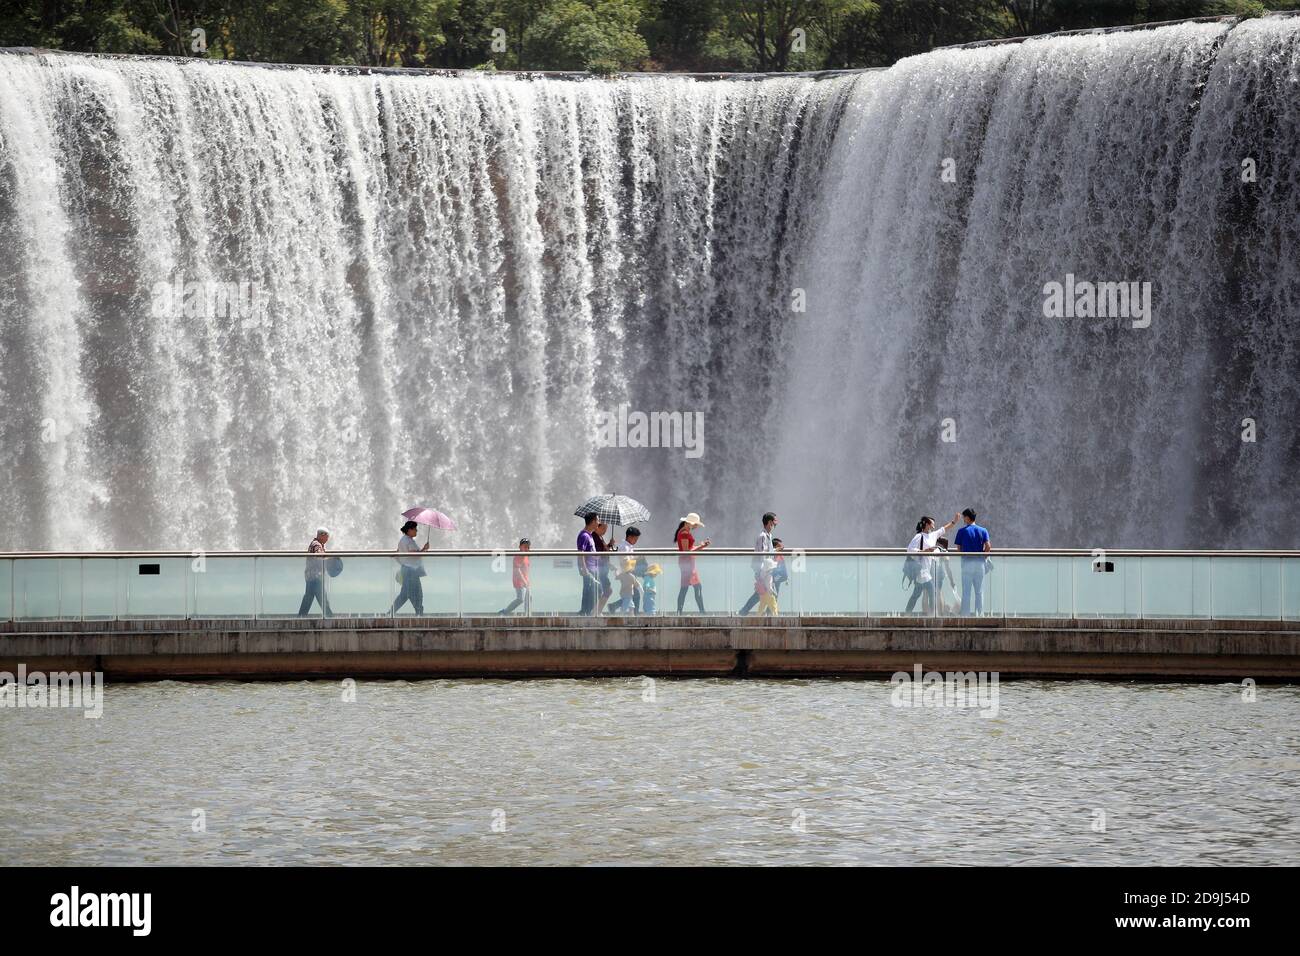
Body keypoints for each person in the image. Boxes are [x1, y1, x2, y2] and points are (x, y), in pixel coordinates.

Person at [905, 514, 958, 615]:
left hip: (927, 570)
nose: (934, 525)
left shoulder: (933, 535)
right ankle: (933, 615)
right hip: (921, 570)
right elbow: (909, 550)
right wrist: (925, 551)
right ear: (928, 525)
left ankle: (907, 613)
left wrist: (954, 521)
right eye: (932, 523)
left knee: (916, 594)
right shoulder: (919, 536)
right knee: (932, 591)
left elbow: (944, 529)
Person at [738, 512, 777, 616]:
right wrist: (760, 573)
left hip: (768, 569)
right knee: (765, 591)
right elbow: (761, 554)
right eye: (774, 523)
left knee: (763, 592)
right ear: (769, 523)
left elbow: (768, 552)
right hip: (763, 570)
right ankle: (770, 614)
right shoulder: (762, 536)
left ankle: (746, 611)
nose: (775, 525)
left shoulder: (769, 536)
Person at [954, 507, 992, 615]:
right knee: (979, 592)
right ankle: (979, 614)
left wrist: (963, 557)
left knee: (966, 592)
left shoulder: (961, 531)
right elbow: (988, 546)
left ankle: (965, 615)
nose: (963, 519)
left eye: (963, 517)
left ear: (967, 517)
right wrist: (983, 557)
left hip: (967, 563)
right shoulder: (983, 530)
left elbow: (959, 549)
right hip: (979, 564)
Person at [390, 520, 430, 615]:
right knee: (416, 593)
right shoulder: (408, 541)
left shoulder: (403, 540)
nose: (416, 531)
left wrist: (403, 565)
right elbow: (414, 556)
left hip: (408, 570)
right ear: (409, 530)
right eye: (415, 529)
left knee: (406, 594)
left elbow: (397, 554)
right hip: (411, 571)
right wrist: (424, 549)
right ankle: (419, 613)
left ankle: (391, 613)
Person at [675, 513, 710, 613]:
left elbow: (687, 549)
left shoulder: (683, 532)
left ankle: (680, 612)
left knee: (685, 588)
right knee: (695, 587)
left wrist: (701, 546)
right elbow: (686, 551)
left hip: (686, 563)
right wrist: (700, 547)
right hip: (688, 564)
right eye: (695, 524)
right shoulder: (685, 533)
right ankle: (702, 612)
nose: (696, 526)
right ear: (690, 523)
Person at [298, 527, 332, 617]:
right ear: (322, 535)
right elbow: (320, 556)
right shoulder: (317, 545)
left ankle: (301, 617)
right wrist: (331, 559)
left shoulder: (315, 543)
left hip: (311, 576)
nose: (328, 539)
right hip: (315, 577)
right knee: (322, 599)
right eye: (327, 536)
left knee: (309, 598)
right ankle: (330, 617)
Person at [607, 527, 642, 614]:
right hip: (626, 573)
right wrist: (635, 559)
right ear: (630, 537)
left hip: (628, 572)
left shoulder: (628, 546)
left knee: (630, 594)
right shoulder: (624, 547)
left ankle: (614, 606)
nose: (636, 541)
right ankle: (633, 614)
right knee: (633, 595)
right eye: (635, 539)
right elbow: (625, 560)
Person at [499, 538, 531, 615]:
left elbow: (526, 569)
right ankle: (505, 612)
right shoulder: (518, 556)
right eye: (524, 546)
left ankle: (527, 615)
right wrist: (524, 581)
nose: (526, 548)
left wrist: (527, 581)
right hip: (519, 581)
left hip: (526, 581)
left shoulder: (526, 556)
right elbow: (517, 570)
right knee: (520, 599)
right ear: (520, 547)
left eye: (528, 547)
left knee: (528, 599)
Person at [577, 514, 600, 615]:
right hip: (589, 569)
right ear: (593, 521)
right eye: (598, 520)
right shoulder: (584, 535)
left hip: (594, 568)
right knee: (593, 591)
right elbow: (580, 553)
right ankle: (585, 612)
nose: (599, 523)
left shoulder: (589, 535)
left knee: (591, 592)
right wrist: (584, 569)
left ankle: (586, 612)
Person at [594, 521, 615, 614]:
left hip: (603, 568)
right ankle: (596, 611)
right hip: (600, 568)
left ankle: (597, 611)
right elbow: (600, 553)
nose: (605, 531)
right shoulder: (595, 537)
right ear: (597, 527)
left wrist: (610, 544)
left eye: (606, 529)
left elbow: (604, 550)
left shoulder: (599, 537)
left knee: (605, 590)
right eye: (604, 529)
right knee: (607, 590)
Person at [934, 536, 959, 615]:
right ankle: (940, 613)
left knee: (934, 593)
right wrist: (952, 581)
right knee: (939, 593)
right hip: (939, 572)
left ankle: (934, 613)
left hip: (932, 572)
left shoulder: (934, 550)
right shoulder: (943, 551)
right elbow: (948, 568)